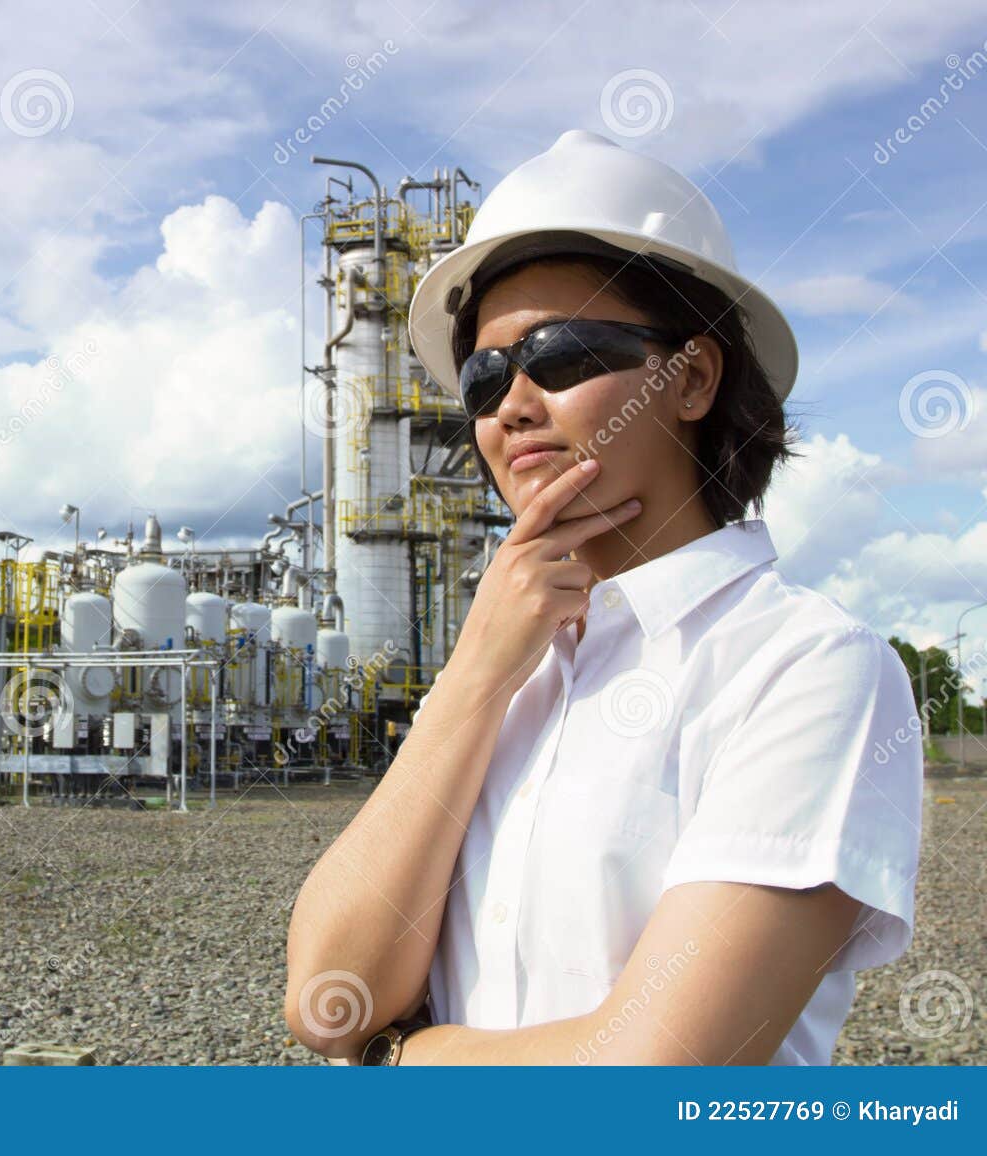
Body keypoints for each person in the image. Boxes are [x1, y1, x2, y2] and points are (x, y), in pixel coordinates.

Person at [283, 130, 923, 1066]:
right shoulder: (509, 675)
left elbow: (648, 1078)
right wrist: (473, 674)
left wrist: (397, 1060)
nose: (512, 403)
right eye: (484, 375)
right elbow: (327, 1003)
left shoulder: (806, 668)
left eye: (564, 352)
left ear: (694, 379)